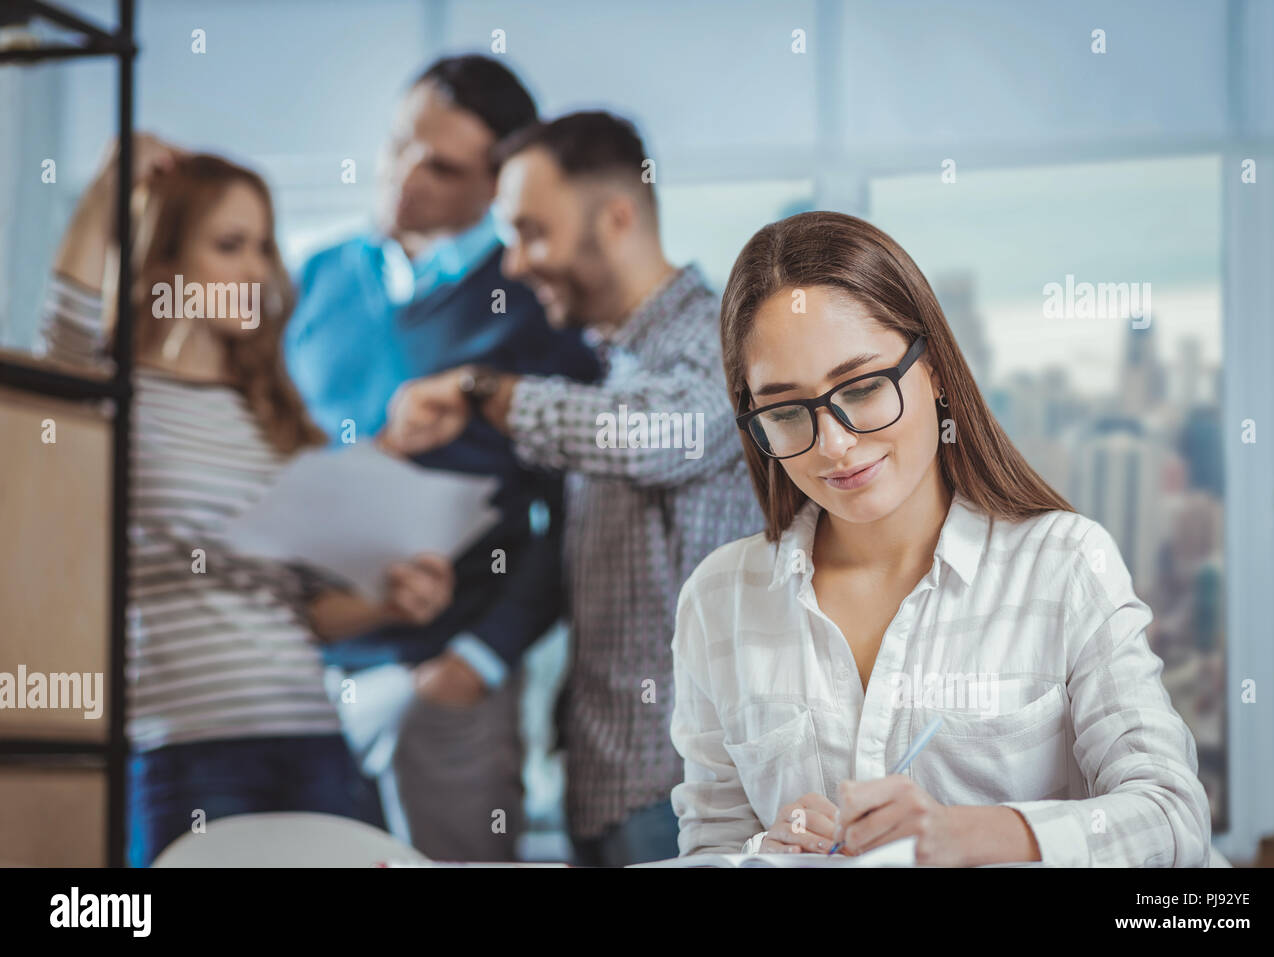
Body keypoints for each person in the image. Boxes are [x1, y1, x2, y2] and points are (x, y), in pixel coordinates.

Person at [668, 210, 1213, 866]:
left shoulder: (1064, 563)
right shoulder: (718, 598)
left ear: (935, 372)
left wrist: (977, 834)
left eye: (863, 387)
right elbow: (710, 844)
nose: (836, 445)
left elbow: (1170, 813)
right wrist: (767, 847)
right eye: (786, 411)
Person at [40, 134, 456, 866]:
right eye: (230, 245)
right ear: (164, 261)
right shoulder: (115, 394)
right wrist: (108, 190)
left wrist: (390, 602)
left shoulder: (272, 413)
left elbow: (305, 609)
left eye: (263, 247)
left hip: (315, 739)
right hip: (187, 746)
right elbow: (62, 333)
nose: (257, 270)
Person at [382, 111, 765, 866]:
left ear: (616, 218)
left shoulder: (721, 338)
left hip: (686, 793)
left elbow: (656, 437)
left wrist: (478, 388)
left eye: (532, 231)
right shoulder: (614, 366)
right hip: (609, 781)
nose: (515, 264)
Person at [283, 56, 600, 861]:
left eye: (442, 166)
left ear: (496, 184)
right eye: (398, 147)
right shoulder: (314, 281)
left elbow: (577, 516)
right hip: (294, 677)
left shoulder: (538, 305)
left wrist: (480, 655)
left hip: (439, 681)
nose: (403, 178)